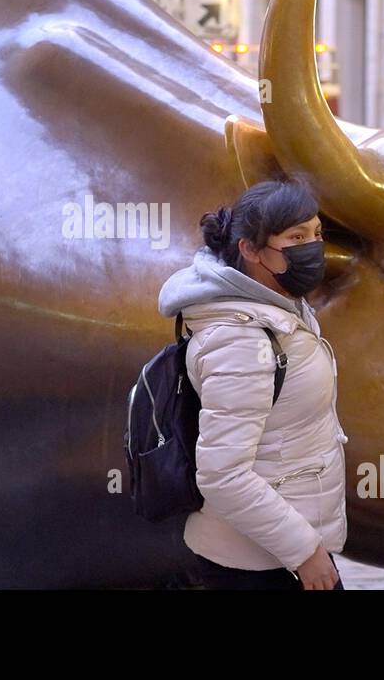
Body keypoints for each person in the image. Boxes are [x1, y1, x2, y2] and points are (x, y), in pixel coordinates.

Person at [157, 176, 349, 590]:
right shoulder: (240, 339)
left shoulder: (276, 306)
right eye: (296, 237)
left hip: (281, 548)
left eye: (317, 233)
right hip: (256, 564)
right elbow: (223, 476)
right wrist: (306, 553)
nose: (313, 247)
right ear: (251, 250)